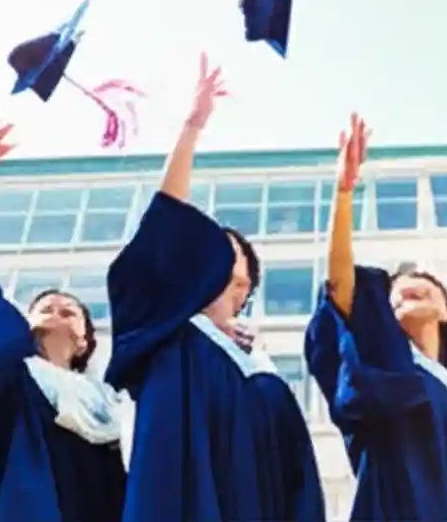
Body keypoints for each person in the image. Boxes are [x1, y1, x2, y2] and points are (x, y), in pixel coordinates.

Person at [105, 53, 325, 521]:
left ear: (245, 286)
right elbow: (165, 223)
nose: (216, 260)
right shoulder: (165, 332)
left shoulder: (261, 368)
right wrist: (192, 128)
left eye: (230, 255)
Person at [0, 111, 128, 522]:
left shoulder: (109, 401)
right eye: (45, 307)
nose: (56, 310)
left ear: (85, 339)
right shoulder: (9, 373)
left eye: (69, 310)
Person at [305, 113, 447, 521]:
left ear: (446, 311)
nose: (410, 287)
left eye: (425, 285)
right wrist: (344, 193)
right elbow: (342, 289)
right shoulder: (382, 371)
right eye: (397, 292)